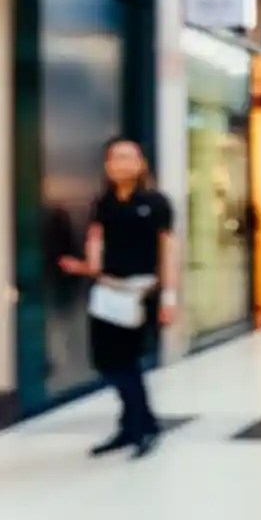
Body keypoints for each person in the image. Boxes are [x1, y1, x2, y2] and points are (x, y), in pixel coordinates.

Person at [59, 138, 176, 460]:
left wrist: (169, 296)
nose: (121, 163)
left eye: (128, 157)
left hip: (139, 292)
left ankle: (139, 425)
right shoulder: (104, 203)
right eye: (115, 158)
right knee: (105, 361)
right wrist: (84, 266)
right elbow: (96, 244)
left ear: (141, 164)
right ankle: (138, 421)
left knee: (127, 361)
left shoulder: (156, 203)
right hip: (106, 291)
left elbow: (168, 250)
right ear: (108, 167)